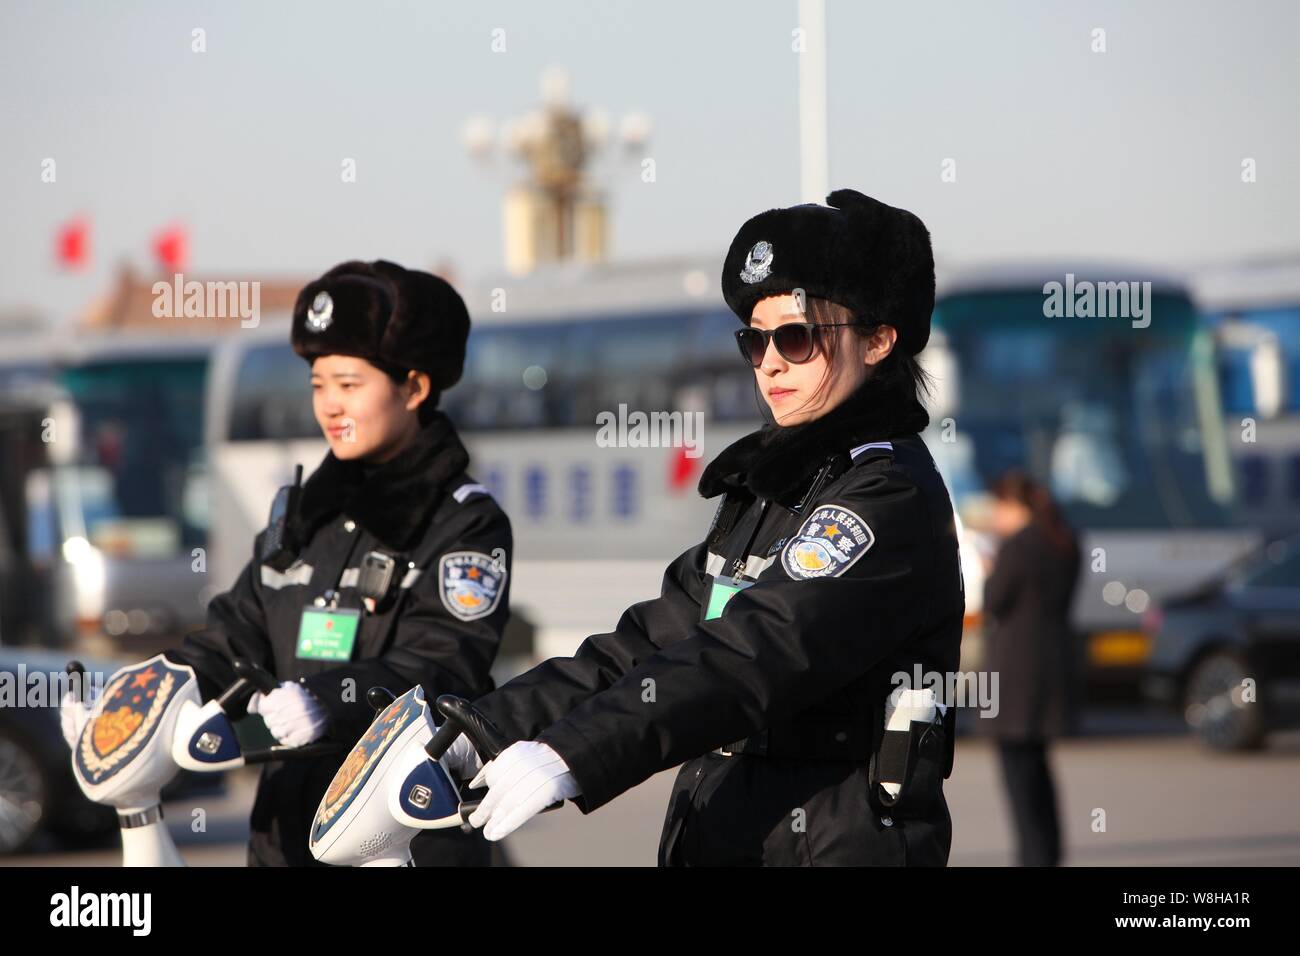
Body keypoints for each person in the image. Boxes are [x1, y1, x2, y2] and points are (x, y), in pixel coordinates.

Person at [441, 189, 966, 865]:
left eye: (797, 336)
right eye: (755, 339)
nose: (770, 361)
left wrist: (575, 753)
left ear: (878, 339)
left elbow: (755, 650)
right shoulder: (776, 486)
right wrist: (487, 728)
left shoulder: (883, 493)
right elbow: (650, 645)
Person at [62, 259, 513, 867]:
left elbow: (445, 663)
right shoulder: (304, 514)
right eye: (318, 384)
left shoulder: (464, 522)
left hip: (402, 835)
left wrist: (330, 699)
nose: (329, 405)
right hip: (286, 835)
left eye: (349, 384)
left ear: (414, 386)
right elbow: (233, 637)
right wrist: (142, 697)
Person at [980, 469, 1082, 866]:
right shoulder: (1065, 540)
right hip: (1054, 663)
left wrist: (990, 570)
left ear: (1014, 505)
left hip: (1015, 674)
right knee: (1040, 771)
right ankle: (1048, 855)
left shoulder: (1018, 546)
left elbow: (993, 600)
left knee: (1019, 781)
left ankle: (1031, 858)